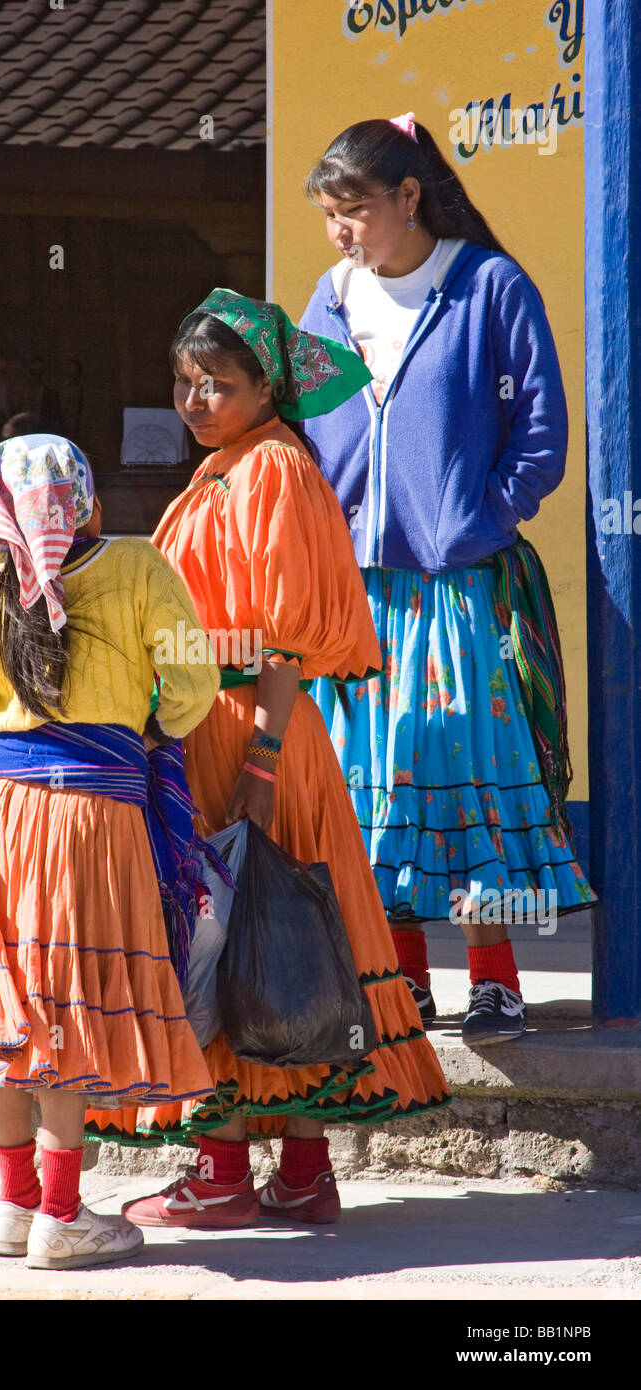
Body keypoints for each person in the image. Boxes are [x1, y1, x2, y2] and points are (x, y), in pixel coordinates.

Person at [87, 290, 450, 1229]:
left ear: (268, 389)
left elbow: (281, 641)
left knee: (232, 939)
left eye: (218, 383)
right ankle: (301, 1171)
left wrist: (258, 761)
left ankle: (218, 1175)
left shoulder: (274, 472)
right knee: (263, 938)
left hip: (254, 735)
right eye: (183, 382)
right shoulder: (225, 470)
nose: (194, 399)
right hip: (224, 728)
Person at [298, 114, 596, 1046]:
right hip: (362, 590)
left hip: (461, 587)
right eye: (329, 215)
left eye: (354, 210)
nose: (341, 231)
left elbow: (541, 434)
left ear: (409, 197)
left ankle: (498, 980)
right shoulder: (330, 301)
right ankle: (404, 980)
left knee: (469, 777)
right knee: (375, 782)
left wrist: (481, 515)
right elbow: (307, 432)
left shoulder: (489, 288)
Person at [0, 433, 220, 1269]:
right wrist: (137, 728)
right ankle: (61, 1214)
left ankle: (12, 1206)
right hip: (98, 818)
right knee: (70, 1000)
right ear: (89, 504)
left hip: (10, 817)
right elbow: (193, 689)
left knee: (16, 999)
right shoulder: (142, 568)